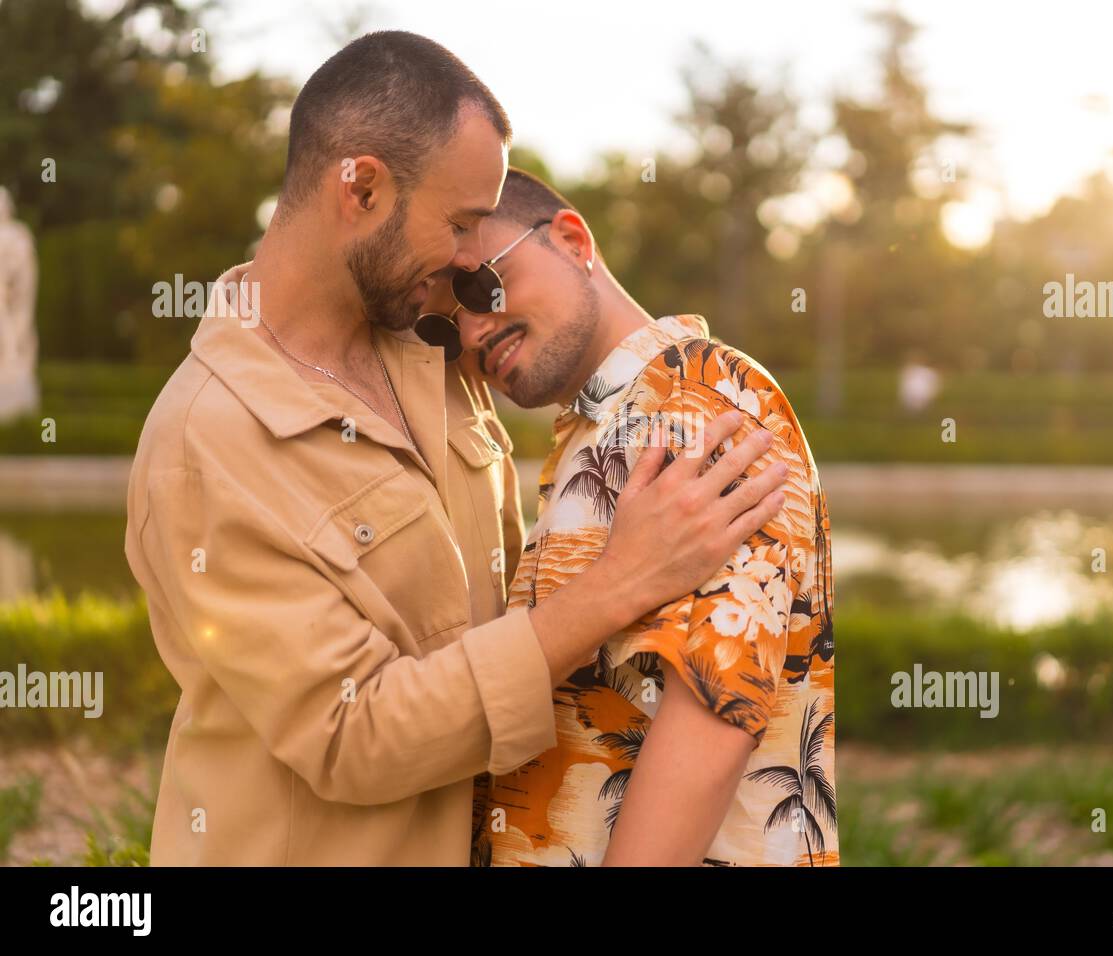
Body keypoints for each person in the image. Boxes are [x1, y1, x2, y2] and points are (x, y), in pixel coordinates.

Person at [123, 32, 785, 866]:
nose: (473, 257)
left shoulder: (431, 348)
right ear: (360, 186)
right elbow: (351, 734)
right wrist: (621, 583)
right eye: (461, 220)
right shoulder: (204, 443)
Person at [434, 169, 837, 867]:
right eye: (447, 322)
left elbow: (713, 716)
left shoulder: (699, 396)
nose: (472, 330)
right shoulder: (601, 427)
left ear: (571, 240)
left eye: (481, 286)